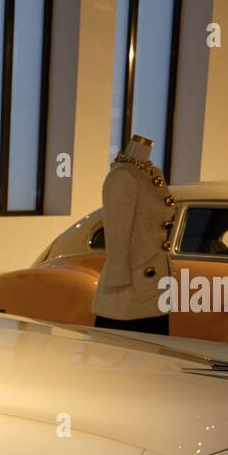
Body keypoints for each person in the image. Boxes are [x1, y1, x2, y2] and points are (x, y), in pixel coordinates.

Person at [92, 135, 176, 336]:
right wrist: (118, 277)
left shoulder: (153, 173)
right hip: (131, 285)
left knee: (153, 358)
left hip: (153, 282)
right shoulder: (122, 177)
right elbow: (116, 233)